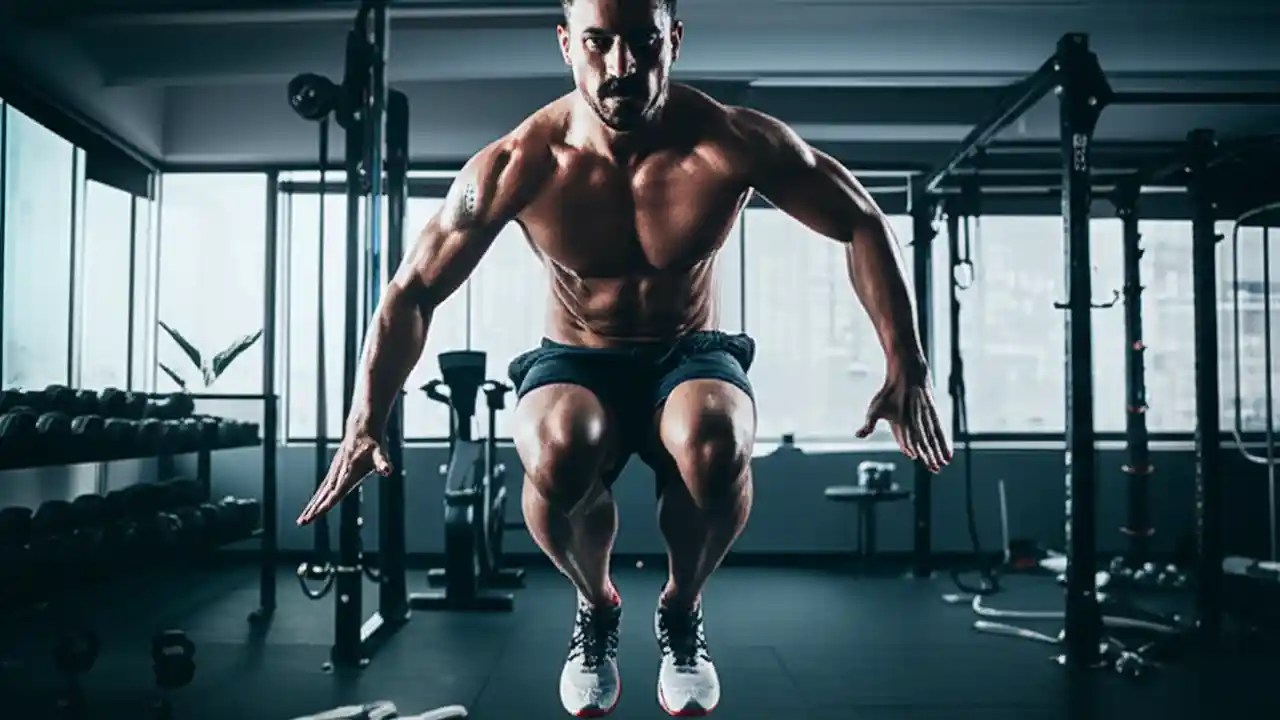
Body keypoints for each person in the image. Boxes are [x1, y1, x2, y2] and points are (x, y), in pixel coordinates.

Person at [297, 0, 953, 716]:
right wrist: (367, 418)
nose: (622, 67)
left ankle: (682, 608)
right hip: (578, 357)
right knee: (556, 447)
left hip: (690, 352)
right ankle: (595, 606)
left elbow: (861, 218)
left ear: (674, 39)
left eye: (643, 42)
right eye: (598, 42)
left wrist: (907, 363)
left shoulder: (729, 141)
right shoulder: (521, 162)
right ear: (565, 44)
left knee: (715, 440)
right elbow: (412, 288)